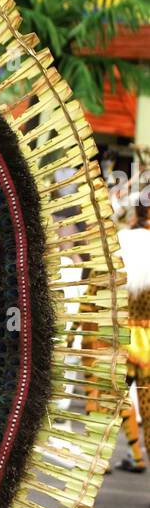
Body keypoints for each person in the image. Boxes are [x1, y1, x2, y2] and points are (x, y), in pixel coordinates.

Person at [118, 201, 150, 475]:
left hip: (122, 339)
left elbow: (98, 292)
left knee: (114, 399)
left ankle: (136, 454)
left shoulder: (121, 247)